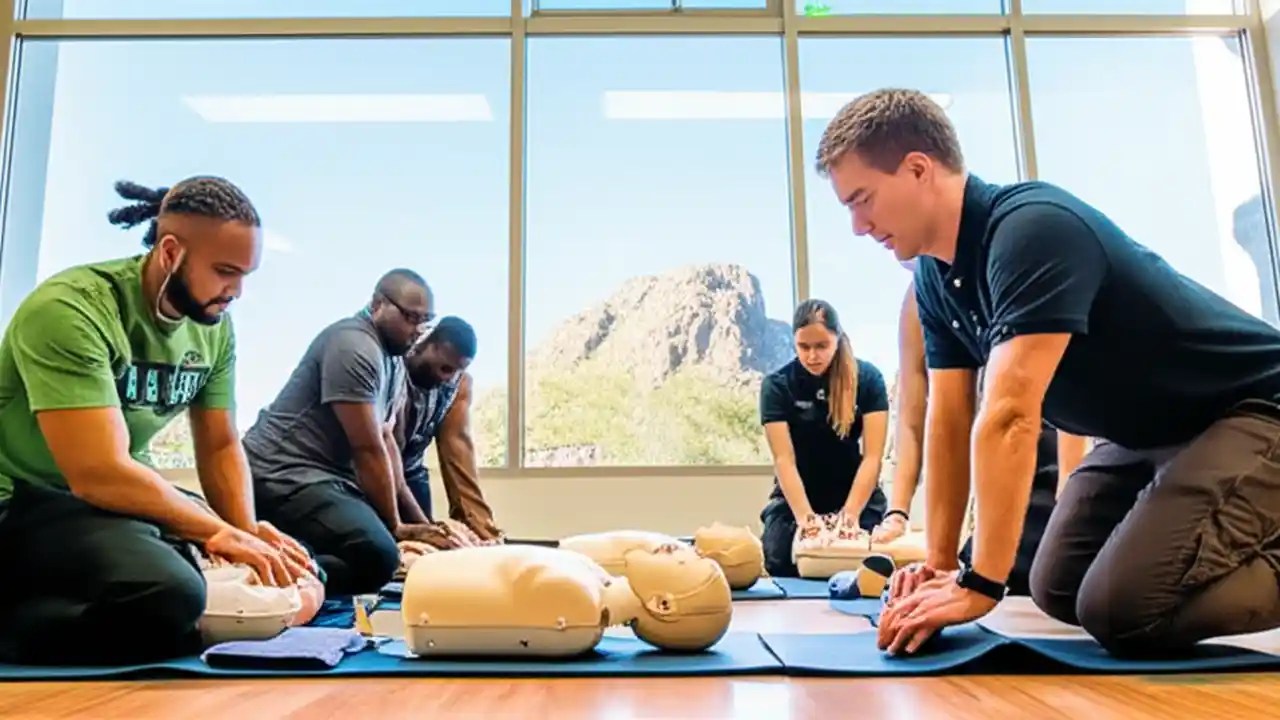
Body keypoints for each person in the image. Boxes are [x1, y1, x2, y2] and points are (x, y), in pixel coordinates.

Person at [814, 87, 1280, 658]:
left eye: (862, 200)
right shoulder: (934, 280)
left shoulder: (1032, 229)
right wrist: (940, 566)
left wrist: (980, 585)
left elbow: (1008, 413)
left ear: (917, 169)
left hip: (1253, 410)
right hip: (1150, 436)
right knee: (1055, 586)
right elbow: (950, 419)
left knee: (1121, 610)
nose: (859, 226)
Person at [0, 177, 314, 665]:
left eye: (246, 274)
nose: (237, 291)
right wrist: (214, 532)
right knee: (171, 596)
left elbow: (219, 444)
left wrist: (245, 530)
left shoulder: (213, 328)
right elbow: (97, 472)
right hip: (25, 499)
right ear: (171, 252)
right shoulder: (70, 309)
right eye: (226, 271)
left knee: (293, 568)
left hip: (111, 503)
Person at [873, 277, 1089, 596]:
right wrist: (902, 517)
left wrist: (1068, 495)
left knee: (1048, 579)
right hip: (1000, 441)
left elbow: (1069, 384)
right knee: (985, 565)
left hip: (1048, 432)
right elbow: (921, 418)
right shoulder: (921, 294)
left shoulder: (1014, 261)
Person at [243, 269, 443, 595]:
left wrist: (421, 524)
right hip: (281, 475)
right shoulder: (353, 345)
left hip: (327, 481)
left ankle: (291, 555)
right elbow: (367, 449)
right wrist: (394, 528)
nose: (418, 331)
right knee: (378, 555)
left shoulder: (392, 360)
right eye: (410, 317)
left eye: (426, 321)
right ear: (378, 303)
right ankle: (267, 572)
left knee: (382, 551)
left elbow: (387, 441)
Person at [759, 299, 889, 576]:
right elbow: (784, 460)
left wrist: (850, 516)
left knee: (863, 561)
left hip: (855, 493)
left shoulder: (868, 379)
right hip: (798, 495)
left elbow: (873, 457)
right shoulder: (777, 385)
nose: (812, 356)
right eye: (803, 347)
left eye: (822, 346)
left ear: (837, 340)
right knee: (779, 559)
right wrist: (807, 520)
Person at [390, 316, 504, 541]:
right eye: (444, 368)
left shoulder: (457, 384)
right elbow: (380, 445)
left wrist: (482, 529)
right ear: (426, 345)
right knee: (382, 546)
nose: (447, 377)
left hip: (410, 471)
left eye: (455, 371)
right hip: (366, 467)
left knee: (429, 546)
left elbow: (457, 446)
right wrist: (421, 525)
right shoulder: (391, 363)